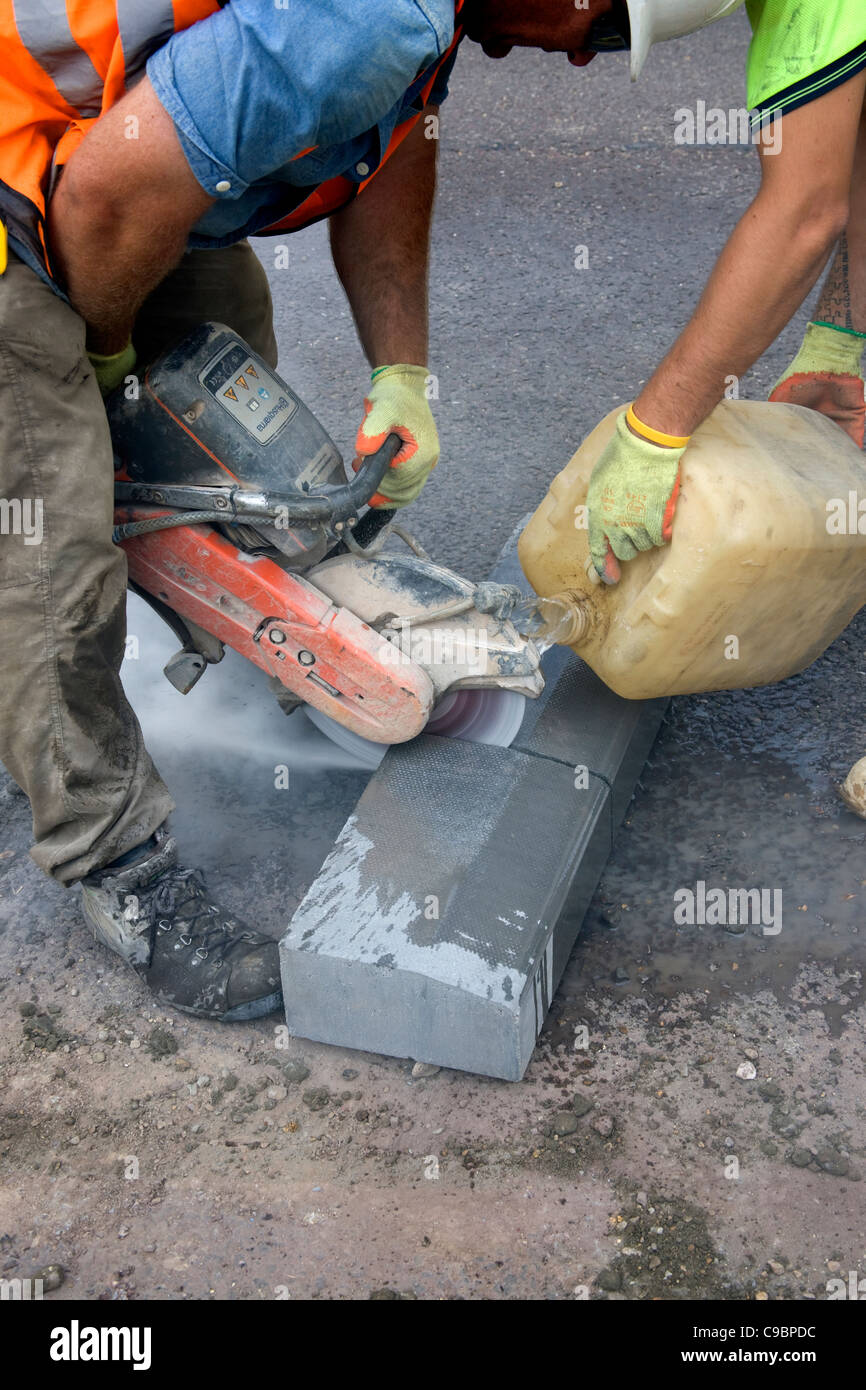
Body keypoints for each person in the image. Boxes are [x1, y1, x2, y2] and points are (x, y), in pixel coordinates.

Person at [0, 1, 464, 1020]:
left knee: (223, 366)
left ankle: (273, 636)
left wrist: (401, 371)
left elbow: (388, 144)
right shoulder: (374, 13)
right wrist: (107, 363)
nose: (577, 50)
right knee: (47, 531)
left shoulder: (429, 14)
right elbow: (101, 210)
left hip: (106, 134)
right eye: (599, 25)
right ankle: (114, 863)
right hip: (22, 171)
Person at [460, 0, 866, 579]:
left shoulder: (813, 15)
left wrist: (655, 432)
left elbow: (803, 217)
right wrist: (835, 345)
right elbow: (855, 150)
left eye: (609, 30)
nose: (580, 56)